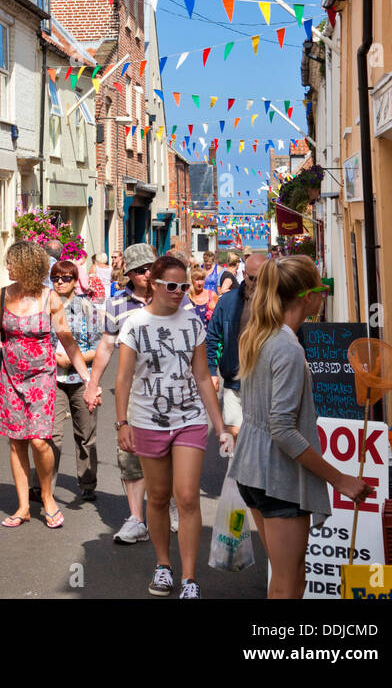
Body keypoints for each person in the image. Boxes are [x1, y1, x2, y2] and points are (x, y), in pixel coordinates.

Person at [228, 256, 373, 598]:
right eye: (322, 289)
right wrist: (341, 480)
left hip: (253, 469)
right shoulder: (287, 346)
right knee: (287, 584)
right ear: (309, 296)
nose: (324, 295)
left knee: (288, 579)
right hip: (277, 477)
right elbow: (283, 429)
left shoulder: (261, 333)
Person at [114, 255, 233, 599]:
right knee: (160, 496)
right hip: (147, 419)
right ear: (152, 283)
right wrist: (122, 422)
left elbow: (201, 376)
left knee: (186, 497)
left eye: (183, 286)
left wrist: (220, 425)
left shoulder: (193, 321)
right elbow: (122, 379)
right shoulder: (134, 324)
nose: (178, 292)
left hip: (189, 419)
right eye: (171, 285)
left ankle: (190, 578)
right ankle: (163, 565)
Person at [0, 241, 90, 528]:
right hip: (10, 377)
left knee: (39, 440)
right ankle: (22, 507)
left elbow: (68, 341)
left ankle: (47, 495)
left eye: (11, 262)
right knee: (17, 442)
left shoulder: (50, 298)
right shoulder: (2, 295)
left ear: (25, 265)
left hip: (41, 379)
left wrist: (86, 378)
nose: (6, 267)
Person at [83, 242, 157, 544]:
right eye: (140, 270)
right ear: (129, 274)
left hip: (171, 391)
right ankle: (136, 518)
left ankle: (169, 505)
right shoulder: (116, 304)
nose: (148, 274)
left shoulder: (174, 297)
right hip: (134, 391)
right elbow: (105, 346)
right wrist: (92, 383)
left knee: (169, 455)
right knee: (130, 454)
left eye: (151, 267)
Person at [49, 258, 103, 503]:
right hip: (52, 379)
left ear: (74, 281)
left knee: (85, 434)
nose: (60, 282)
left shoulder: (87, 308)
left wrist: (72, 359)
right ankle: (44, 484)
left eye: (65, 278)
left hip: (80, 378)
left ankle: (88, 482)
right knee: (51, 435)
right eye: (55, 278)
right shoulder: (44, 306)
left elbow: (98, 347)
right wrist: (53, 358)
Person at [206, 253, 266, 441]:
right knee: (234, 437)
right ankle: (236, 469)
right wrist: (211, 371)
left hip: (265, 384)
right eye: (251, 278)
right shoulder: (227, 301)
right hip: (234, 381)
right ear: (243, 274)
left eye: (261, 279)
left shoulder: (277, 303)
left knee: (262, 440)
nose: (255, 283)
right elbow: (213, 336)